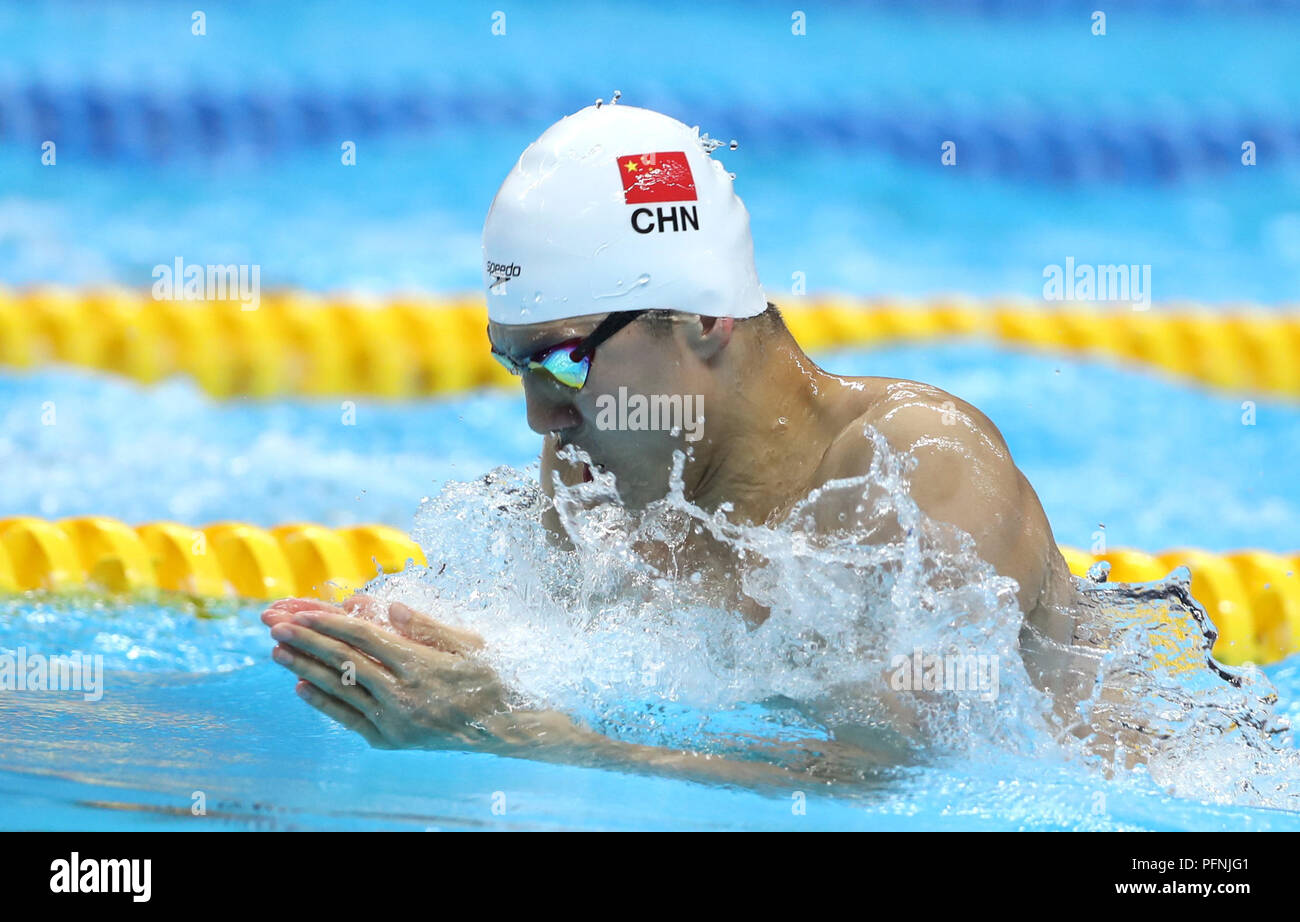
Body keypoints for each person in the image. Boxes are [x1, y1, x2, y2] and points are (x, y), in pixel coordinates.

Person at [263, 102, 1085, 784]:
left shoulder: (915, 468)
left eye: (564, 360)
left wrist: (522, 735)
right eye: (518, 366)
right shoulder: (593, 478)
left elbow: (889, 784)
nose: (541, 418)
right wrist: (435, 663)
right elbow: (569, 667)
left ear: (703, 316)